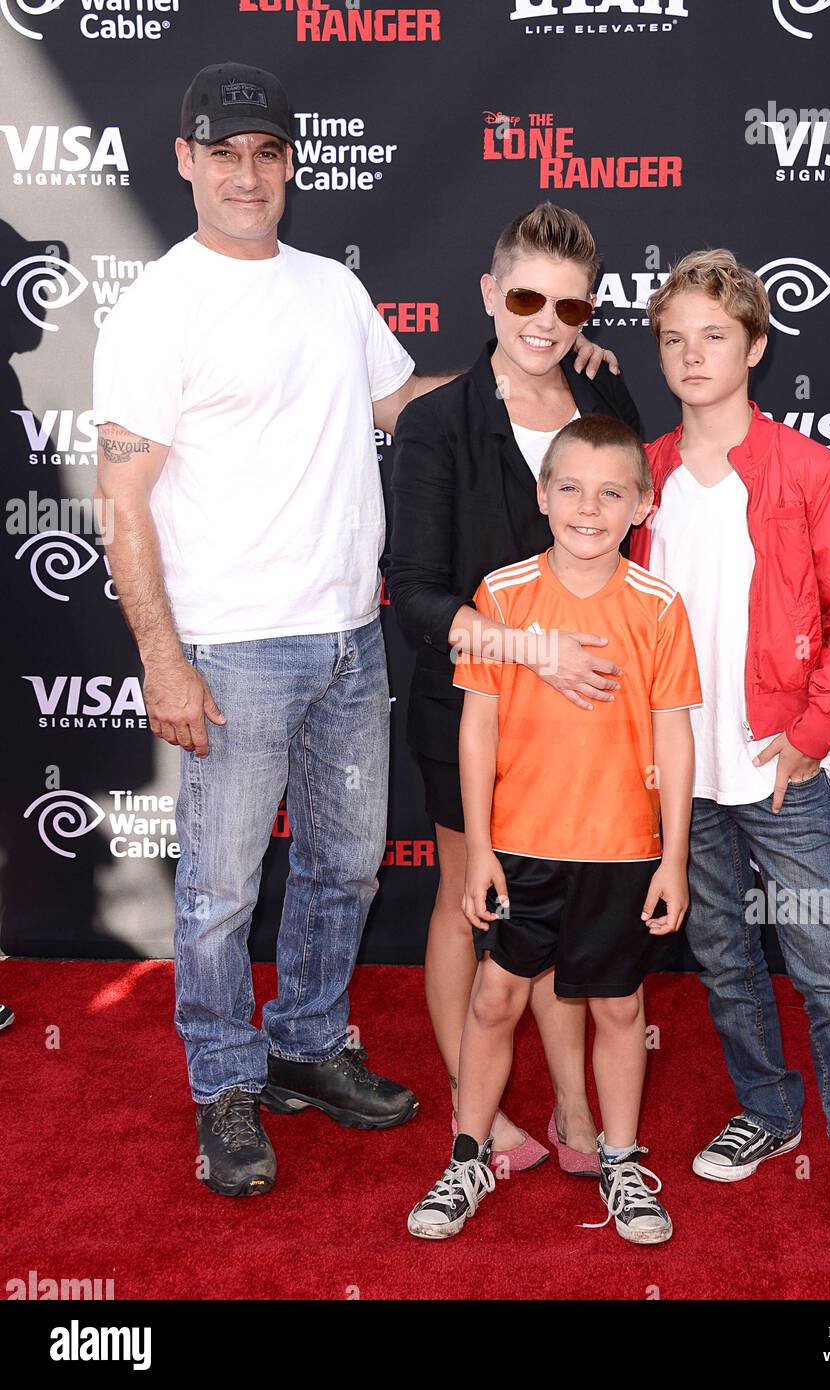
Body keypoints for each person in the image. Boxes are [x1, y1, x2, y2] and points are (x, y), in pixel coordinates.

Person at [91, 61, 461, 1198]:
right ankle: (224, 1087)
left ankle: (306, 1043)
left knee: (346, 869)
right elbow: (123, 498)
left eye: (266, 153)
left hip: (352, 637)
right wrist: (164, 658)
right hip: (232, 651)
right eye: (223, 153)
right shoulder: (159, 306)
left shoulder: (330, 289)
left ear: (290, 163)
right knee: (216, 893)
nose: (246, 174)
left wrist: (526, 383)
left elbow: (406, 405)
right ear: (187, 162)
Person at [630, 248, 830, 1257]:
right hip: (683, 780)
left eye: (714, 335)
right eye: (673, 338)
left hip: (781, 770)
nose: (692, 355)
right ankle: (769, 1106)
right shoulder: (645, 475)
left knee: (827, 968)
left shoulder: (807, 471)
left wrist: (811, 732)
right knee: (721, 959)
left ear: (754, 346)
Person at [386, 205, 640, 1173]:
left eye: (569, 302)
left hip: (587, 719)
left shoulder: (605, 406)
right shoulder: (436, 423)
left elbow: (628, 555)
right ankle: (474, 1112)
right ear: (491, 295)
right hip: (472, 711)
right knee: (471, 903)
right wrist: (530, 650)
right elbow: (411, 589)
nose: (546, 319)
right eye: (526, 296)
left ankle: (578, 1109)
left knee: (561, 910)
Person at [406, 414, 701, 1242]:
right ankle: (468, 1154)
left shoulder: (658, 606)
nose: (588, 507)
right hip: (521, 847)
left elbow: (674, 734)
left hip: (622, 851)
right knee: (495, 996)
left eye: (612, 492)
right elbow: (478, 729)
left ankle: (620, 1160)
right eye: (569, 488)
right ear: (541, 496)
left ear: (642, 506)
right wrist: (480, 850)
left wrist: (672, 859)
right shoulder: (500, 598)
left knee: (617, 1005)